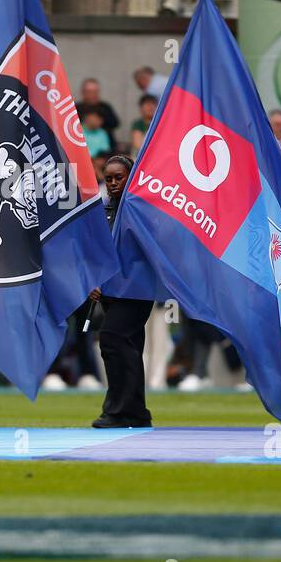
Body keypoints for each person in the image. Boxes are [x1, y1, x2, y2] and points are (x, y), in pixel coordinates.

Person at [92, 154, 154, 427]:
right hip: (110, 291)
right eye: (109, 179)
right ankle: (135, 413)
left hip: (136, 288)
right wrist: (92, 280)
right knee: (128, 347)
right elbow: (95, 251)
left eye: (120, 177)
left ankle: (118, 410)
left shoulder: (142, 209)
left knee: (112, 339)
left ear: (132, 176)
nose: (114, 183)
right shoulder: (103, 210)